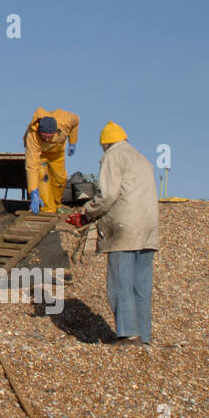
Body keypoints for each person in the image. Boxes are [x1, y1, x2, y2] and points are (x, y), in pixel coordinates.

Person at [65, 122, 159, 346]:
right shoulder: (141, 158)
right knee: (141, 284)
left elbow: (107, 195)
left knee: (120, 282)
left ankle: (128, 335)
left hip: (124, 227)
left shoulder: (113, 156)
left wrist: (86, 213)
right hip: (149, 228)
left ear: (105, 144)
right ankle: (143, 337)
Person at [23, 108, 79, 213]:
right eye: (44, 137)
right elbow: (32, 166)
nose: (47, 140)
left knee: (60, 179)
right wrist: (33, 191)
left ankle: (57, 205)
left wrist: (73, 141)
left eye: (50, 137)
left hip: (57, 154)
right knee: (43, 179)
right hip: (40, 155)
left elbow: (76, 121)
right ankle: (47, 209)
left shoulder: (65, 120)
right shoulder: (32, 137)